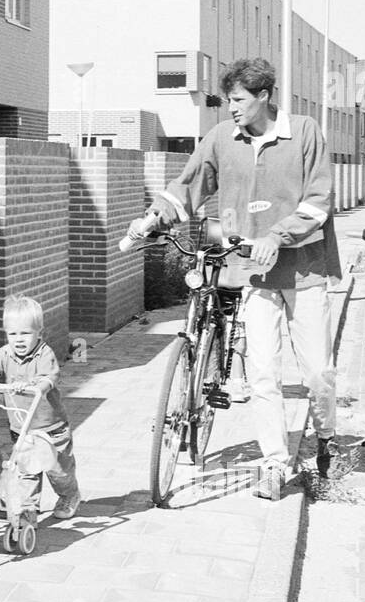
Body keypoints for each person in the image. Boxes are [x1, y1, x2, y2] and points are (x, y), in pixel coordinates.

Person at [126, 57, 341, 499]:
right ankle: (275, 463)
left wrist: (279, 236)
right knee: (262, 372)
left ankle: (326, 440)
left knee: (318, 372)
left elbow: (320, 199)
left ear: (263, 96)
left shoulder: (303, 132)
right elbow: (190, 185)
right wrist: (153, 217)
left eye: (239, 99)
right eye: (228, 100)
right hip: (255, 274)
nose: (232, 108)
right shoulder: (223, 138)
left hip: (304, 271)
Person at [0, 295, 81, 520]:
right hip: (21, 426)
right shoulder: (4, 354)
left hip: (51, 428)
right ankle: (29, 509)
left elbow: (48, 379)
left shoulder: (44, 354)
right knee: (26, 470)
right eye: (13, 334)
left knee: (59, 470)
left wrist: (34, 385)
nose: (18, 339)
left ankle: (69, 495)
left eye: (25, 333)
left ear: (39, 333)